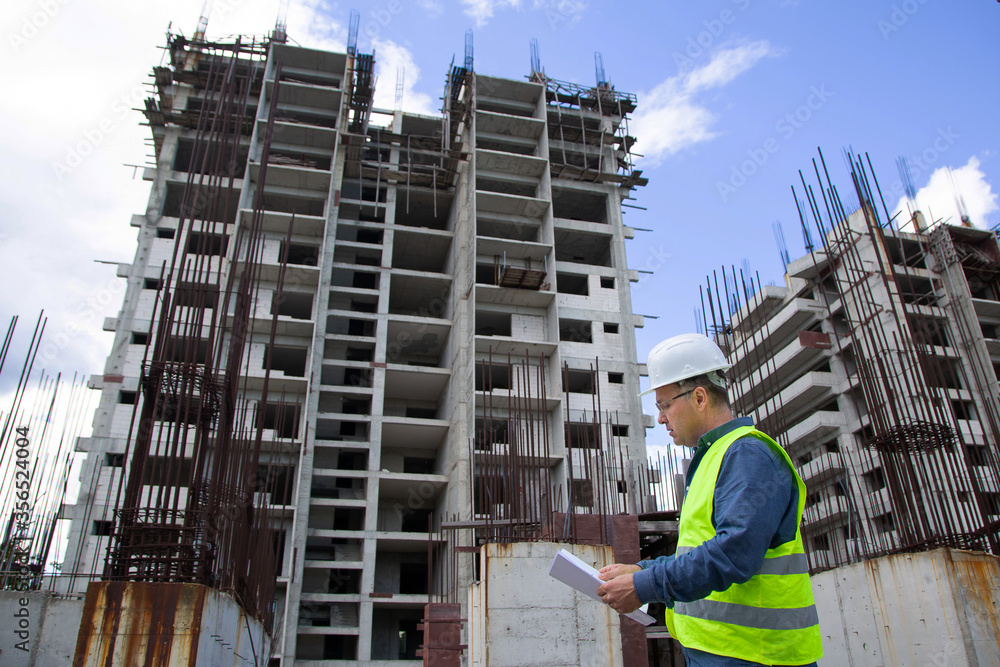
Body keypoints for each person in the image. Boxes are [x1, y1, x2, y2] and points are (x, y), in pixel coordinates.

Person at [596, 333, 823, 666]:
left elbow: (733, 554)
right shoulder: (715, 458)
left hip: (755, 655)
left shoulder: (747, 453)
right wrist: (642, 569)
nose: (660, 418)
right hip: (722, 652)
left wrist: (645, 585)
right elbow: (701, 550)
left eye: (664, 405)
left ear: (699, 397)